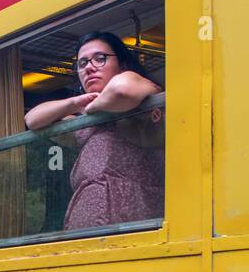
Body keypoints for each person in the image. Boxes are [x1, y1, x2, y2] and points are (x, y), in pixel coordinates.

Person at [24, 30, 164, 232]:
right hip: (86, 230)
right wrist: (73, 103)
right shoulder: (87, 124)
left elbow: (121, 90)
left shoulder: (141, 92)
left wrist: (90, 107)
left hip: (136, 228)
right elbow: (32, 119)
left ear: (122, 64)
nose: (89, 67)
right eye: (82, 63)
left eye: (100, 59)